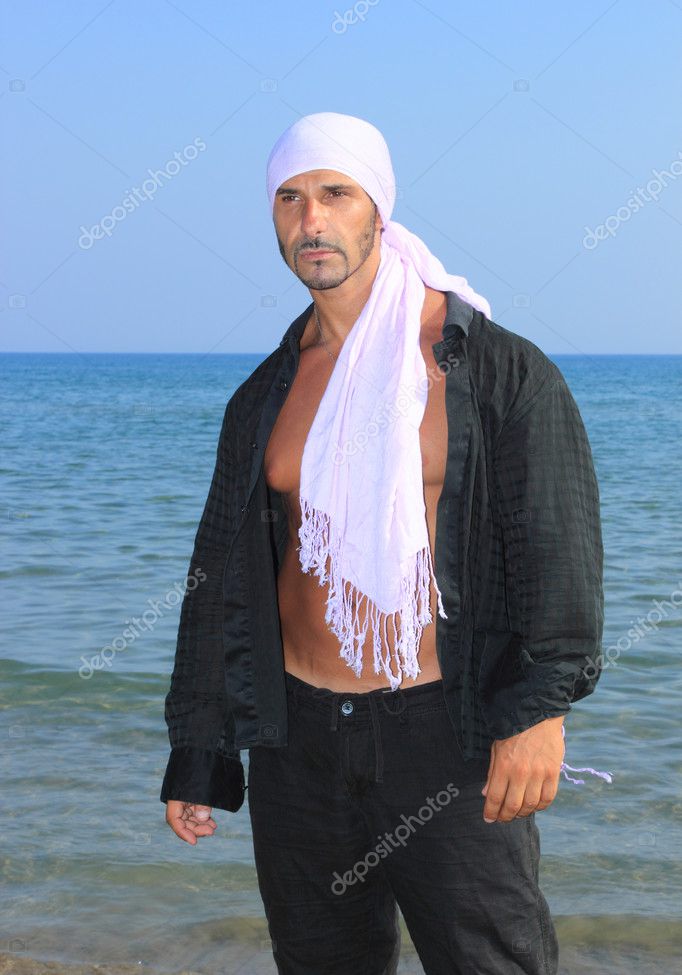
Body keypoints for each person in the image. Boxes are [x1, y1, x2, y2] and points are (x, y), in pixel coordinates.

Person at [160, 112, 604, 974]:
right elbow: (221, 575)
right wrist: (200, 747)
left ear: (378, 209)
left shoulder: (495, 371)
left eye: (335, 193)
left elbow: (559, 551)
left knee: (493, 961)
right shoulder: (266, 393)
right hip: (297, 739)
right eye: (290, 199)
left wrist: (541, 711)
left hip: (443, 732)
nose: (311, 220)